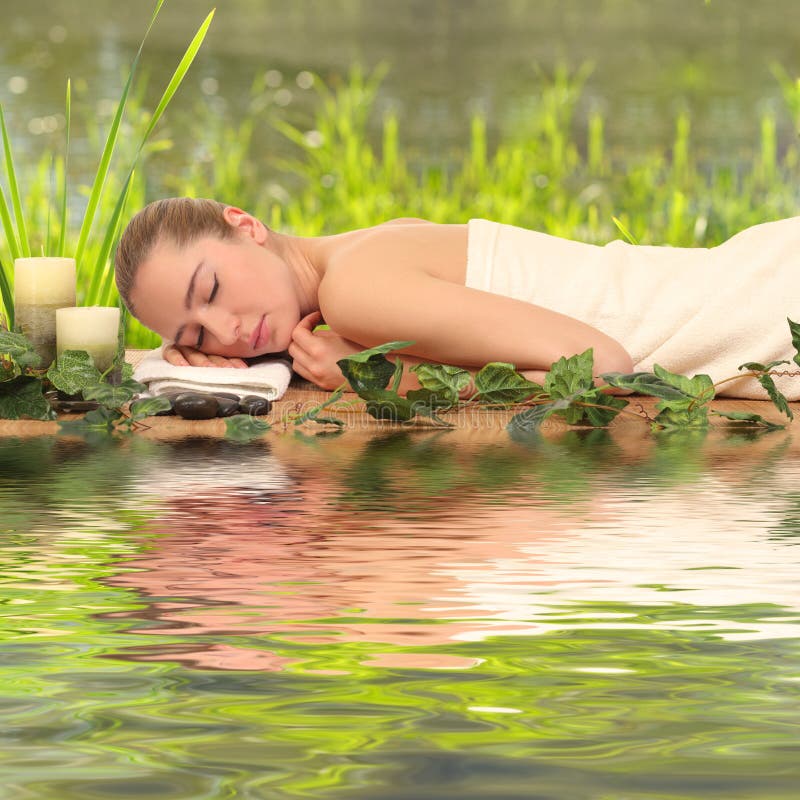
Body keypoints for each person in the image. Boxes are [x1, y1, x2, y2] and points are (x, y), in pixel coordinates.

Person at [114, 197, 800, 399]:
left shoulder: (356, 291)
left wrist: (384, 380)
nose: (226, 331)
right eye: (196, 336)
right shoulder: (360, 253)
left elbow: (600, 366)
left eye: (210, 291)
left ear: (246, 225)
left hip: (767, 302)